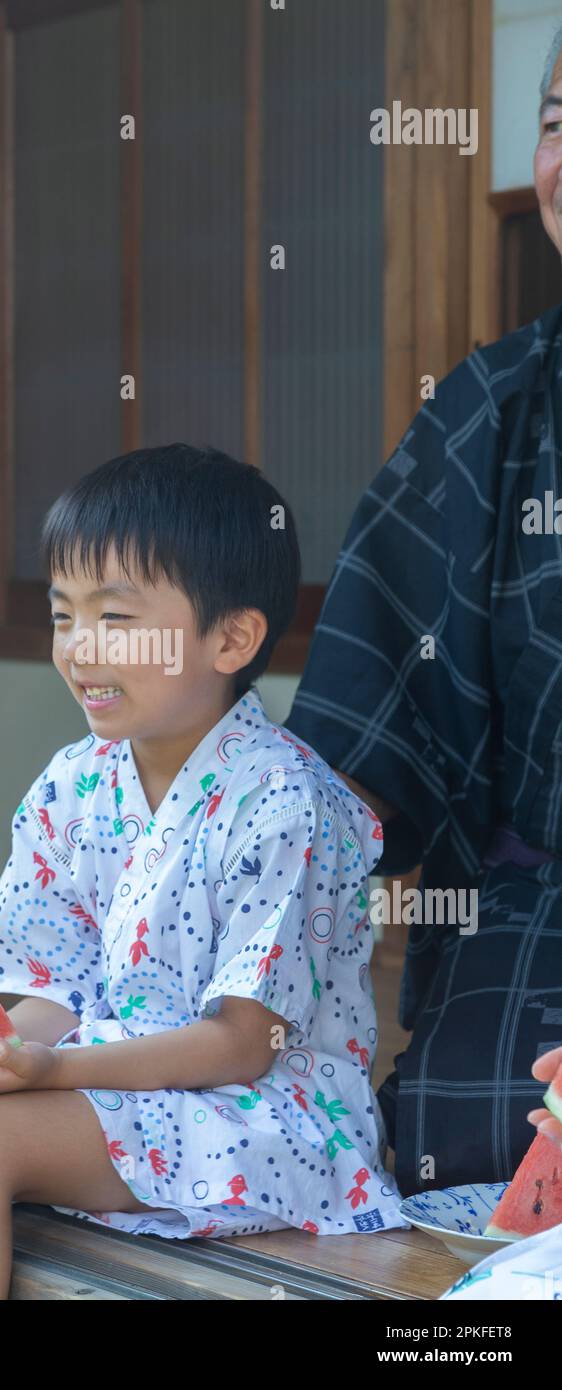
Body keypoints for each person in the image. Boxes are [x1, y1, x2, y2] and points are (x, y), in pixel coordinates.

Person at [0, 444, 408, 1302]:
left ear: (231, 637)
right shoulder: (74, 784)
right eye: (63, 615)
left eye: (116, 620)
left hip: (271, 1117)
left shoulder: (288, 799)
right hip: (110, 1082)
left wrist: (49, 1076)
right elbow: (55, 991)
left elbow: (241, 1042)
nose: (79, 649)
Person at [284, 22, 562, 1201]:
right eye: (555, 123)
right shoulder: (489, 412)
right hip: (538, 914)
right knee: (475, 1127)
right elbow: (366, 727)